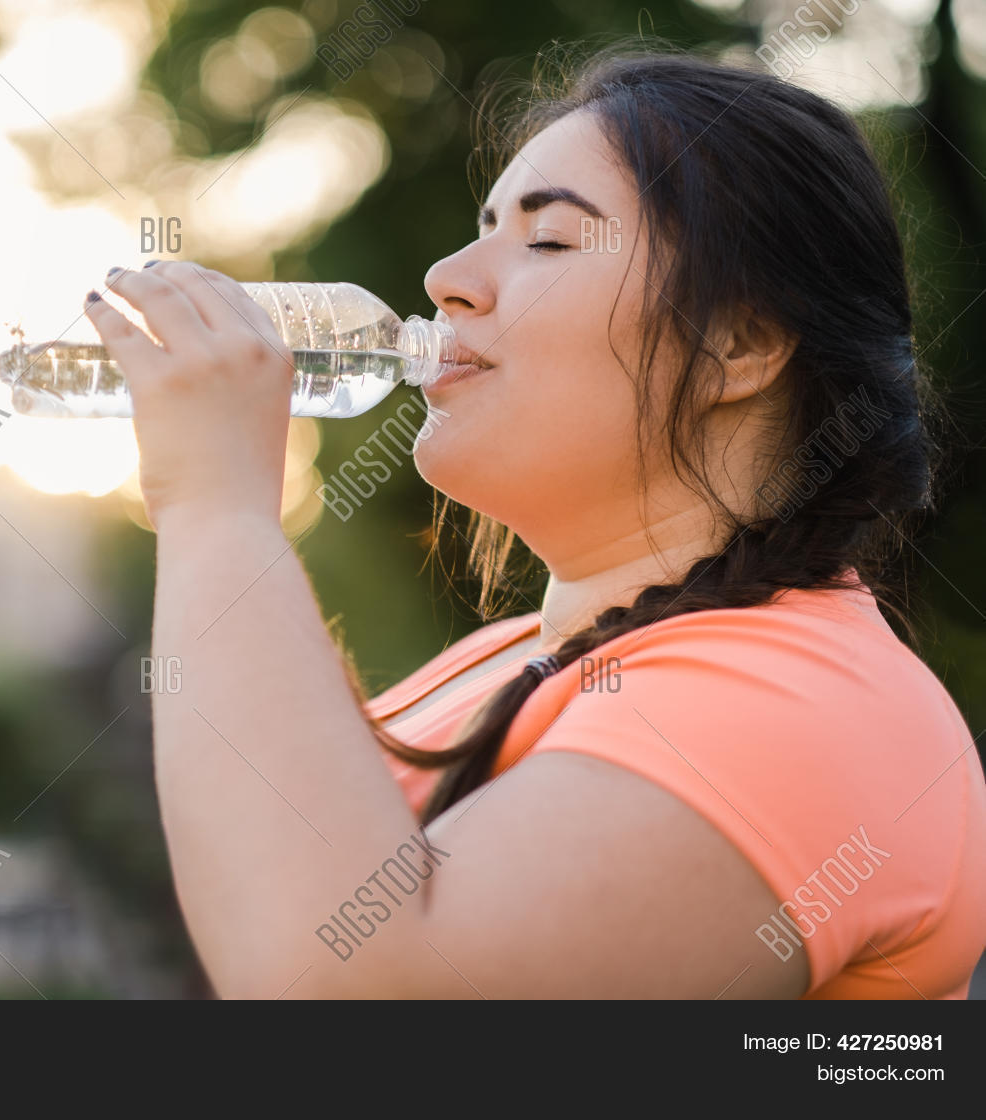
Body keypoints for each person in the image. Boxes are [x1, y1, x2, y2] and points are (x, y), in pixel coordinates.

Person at [83, 47, 986, 998]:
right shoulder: (510, 661)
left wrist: (217, 508)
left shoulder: (807, 710)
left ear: (740, 344)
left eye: (547, 241)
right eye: (482, 229)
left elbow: (357, 992)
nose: (445, 278)